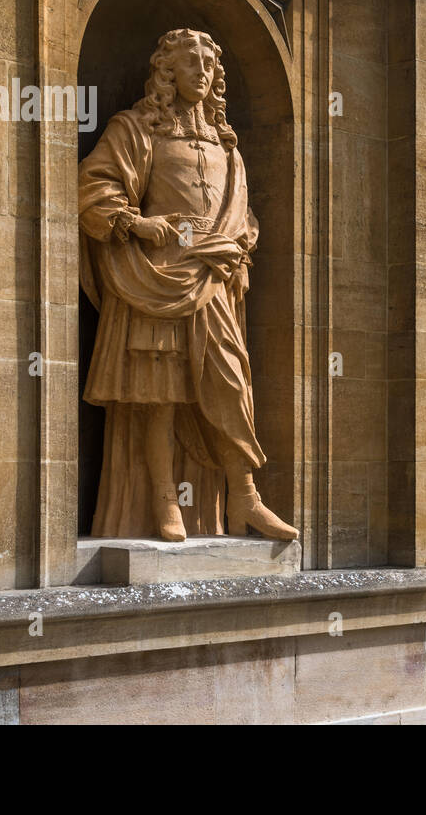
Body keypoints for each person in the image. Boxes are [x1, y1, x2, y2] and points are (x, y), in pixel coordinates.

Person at [78, 28, 297, 542]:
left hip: (212, 279)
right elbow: (94, 187)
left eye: (209, 64)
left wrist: (237, 244)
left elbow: (243, 215)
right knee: (159, 395)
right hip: (153, 277)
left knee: (231, 383)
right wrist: (135, 225)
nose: (202, 70)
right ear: (166, 72)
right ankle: (162, 501)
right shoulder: (136, 129)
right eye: (190, 62)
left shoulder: (228, 147)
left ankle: (245, 497)